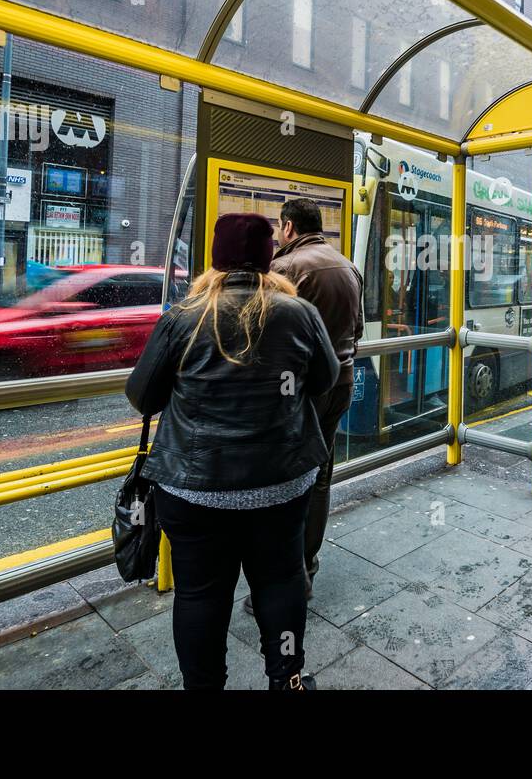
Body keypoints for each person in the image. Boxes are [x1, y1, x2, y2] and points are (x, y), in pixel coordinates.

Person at [126, 213, 340, 691]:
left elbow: (142, 396)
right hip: (283, 483)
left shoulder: (184, 317)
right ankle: (287, 680)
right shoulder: (299, 313)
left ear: (215, 260)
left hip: (196, 488)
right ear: (269, 261)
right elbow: (325, 380)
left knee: (200, 596)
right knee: (281, 582)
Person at [242, 197, 363, 615]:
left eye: (280, 227)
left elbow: (258, 335)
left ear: (290, 227)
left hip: (297, 391)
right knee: (320, 478)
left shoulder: (284, 269)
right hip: (340, 382)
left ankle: (283, 579)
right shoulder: (347, 266)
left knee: (283, 482)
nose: (278, 234)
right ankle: (306, 566)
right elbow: (357, 330)